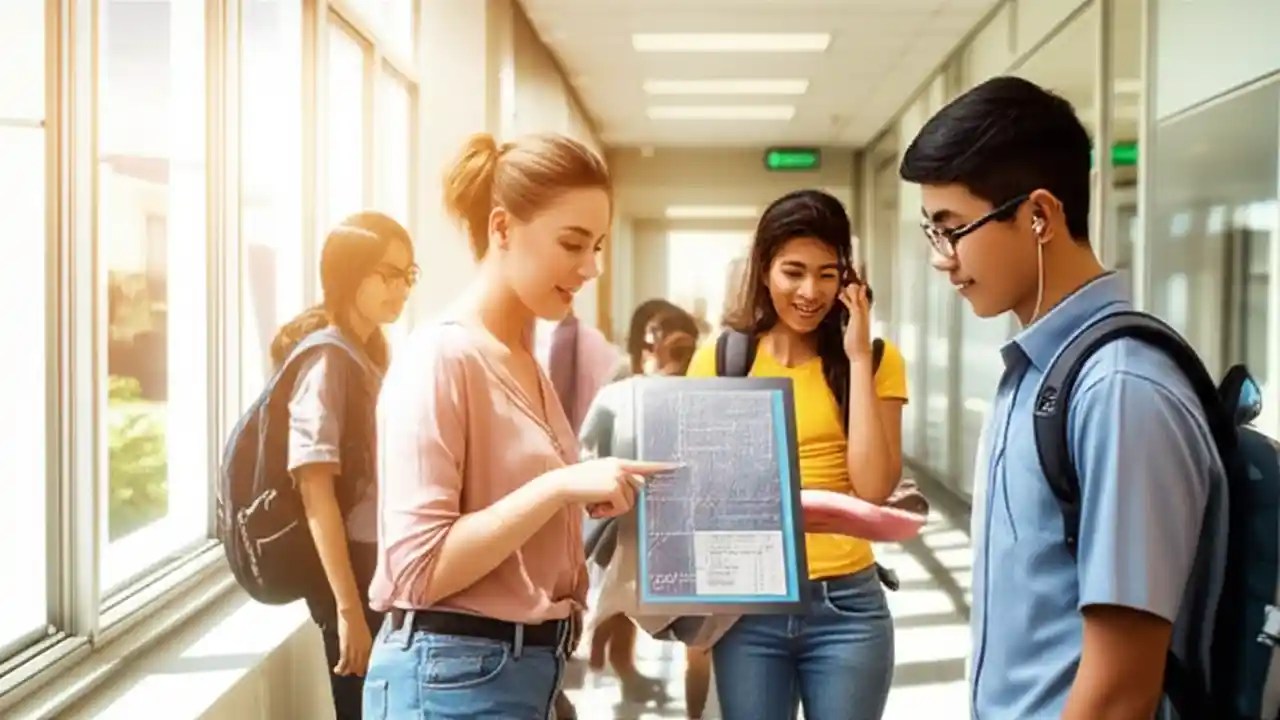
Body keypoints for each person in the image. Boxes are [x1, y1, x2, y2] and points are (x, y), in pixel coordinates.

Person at [898, 75, 1225, 719]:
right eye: (933, 232)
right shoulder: (1035, 373)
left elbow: (1119, 692)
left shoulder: (1119, 391)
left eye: (952, 228)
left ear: (1039, 215)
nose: (943, 257)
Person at [363, 132, 674, 718]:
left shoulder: (522, 359)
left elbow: (510, 529)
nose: (590, 268)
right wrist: (559, 487)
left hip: (519, 669)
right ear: (502, 229)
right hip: (452, 676)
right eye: (573, 244)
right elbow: (417, 569)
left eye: (598, 246)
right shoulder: (440, 357)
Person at [685, 189, 908, 720]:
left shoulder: (877, 360)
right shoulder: (720, 360)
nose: (811, 291)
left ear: (847, 279)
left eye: (828, 274)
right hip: (750, 609)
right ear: (764, 270)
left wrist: (856, 357)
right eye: (794, 272)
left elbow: (874, 489)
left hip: (847, 607)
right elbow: (699, 500)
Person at [268, 211, 416, 720]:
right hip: (351, 567)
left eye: (408, 275)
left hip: (378, 560)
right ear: (350, 273)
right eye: (389, 274)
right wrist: (348, 612)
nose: (401, 288)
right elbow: (316, 492)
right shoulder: (327, 360)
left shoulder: (368, 354)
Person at [578, 304, 702, 712]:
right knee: (617, 595)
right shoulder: (622, 381)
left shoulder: (700, 379)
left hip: (679, 510)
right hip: (622, 512)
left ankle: (626, 668)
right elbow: (593, 444)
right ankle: (612, 665)